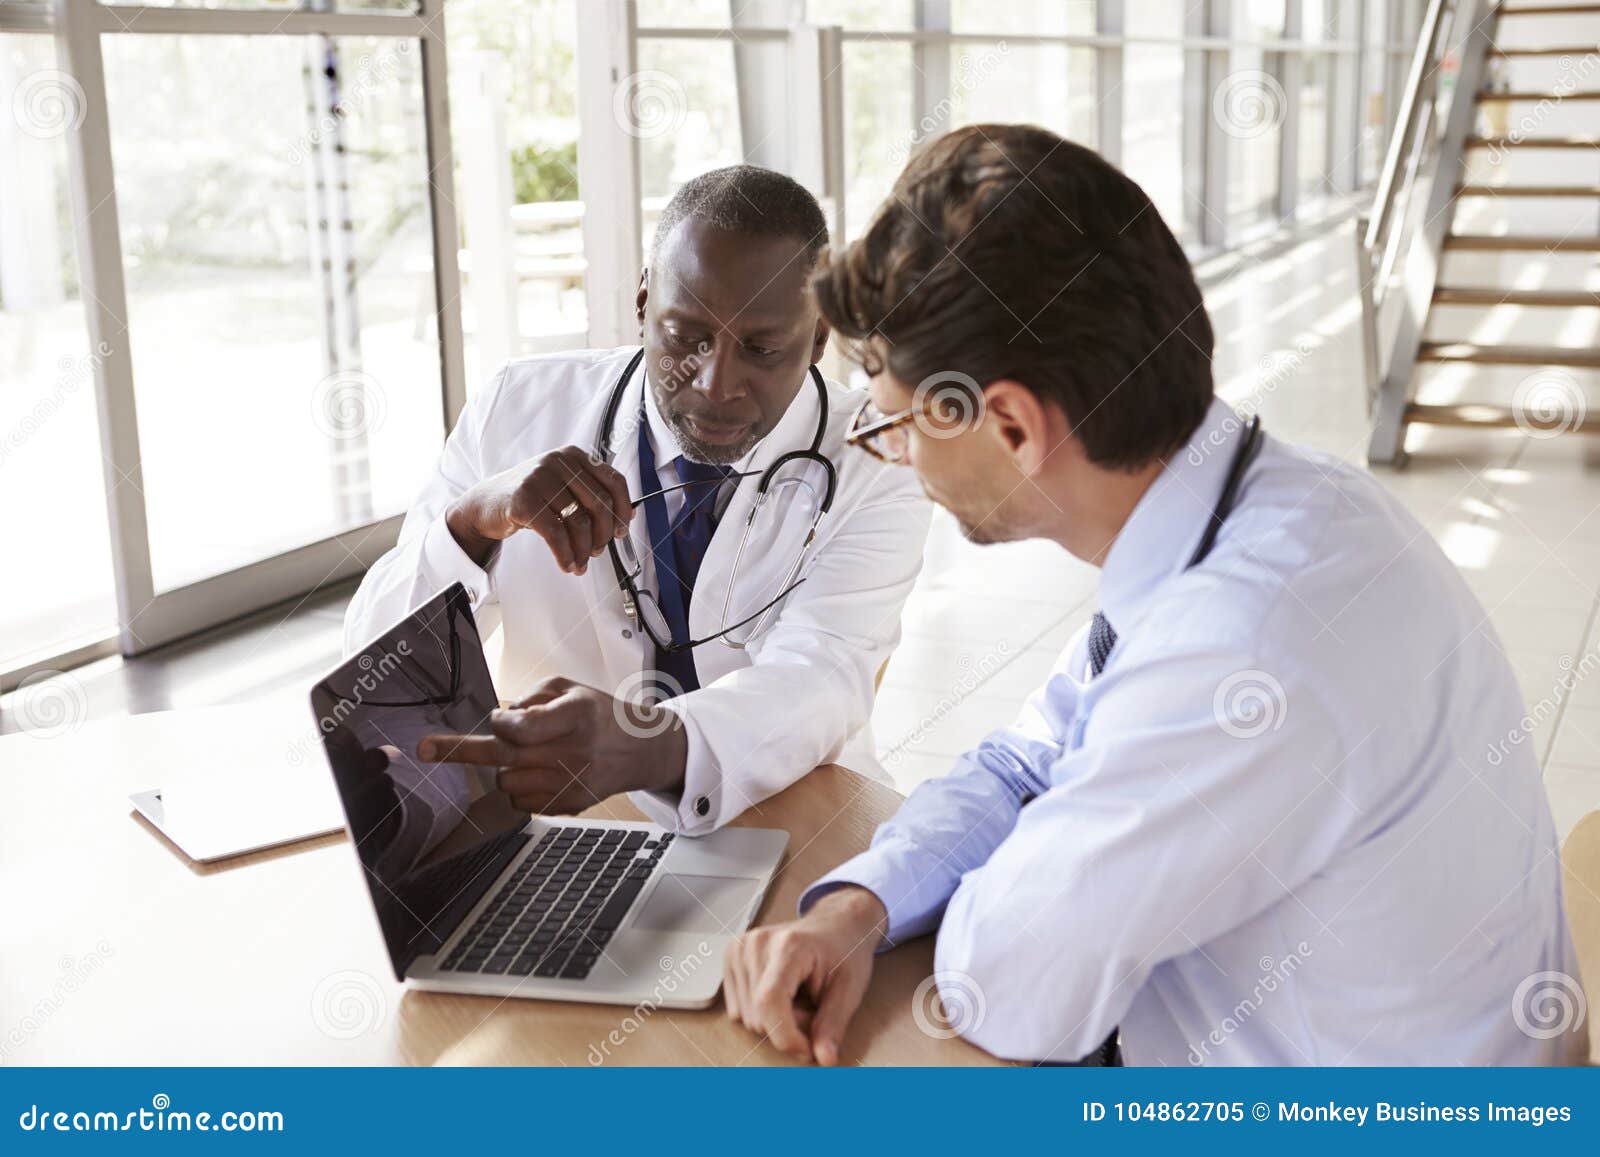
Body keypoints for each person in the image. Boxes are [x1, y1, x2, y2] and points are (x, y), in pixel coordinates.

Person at [721, 124, 1587, 1067]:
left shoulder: (1242, 644)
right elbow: (1027, 762)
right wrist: (863, 903)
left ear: (1008, 422)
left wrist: (1017, 869)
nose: (894, 453)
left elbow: (1004, 986)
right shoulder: (1262, 502)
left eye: (894, 423)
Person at [345, 165, 929, 834]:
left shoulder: (875, 462)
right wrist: (472, 524)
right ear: (644, 304)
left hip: (789, 814)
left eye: (762, 349)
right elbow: (372, 665)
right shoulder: (518, 407)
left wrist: (648, 745)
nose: (716, 382)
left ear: (819, 336)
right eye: (685, 337)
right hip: (563, 825)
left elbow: (820, 676)